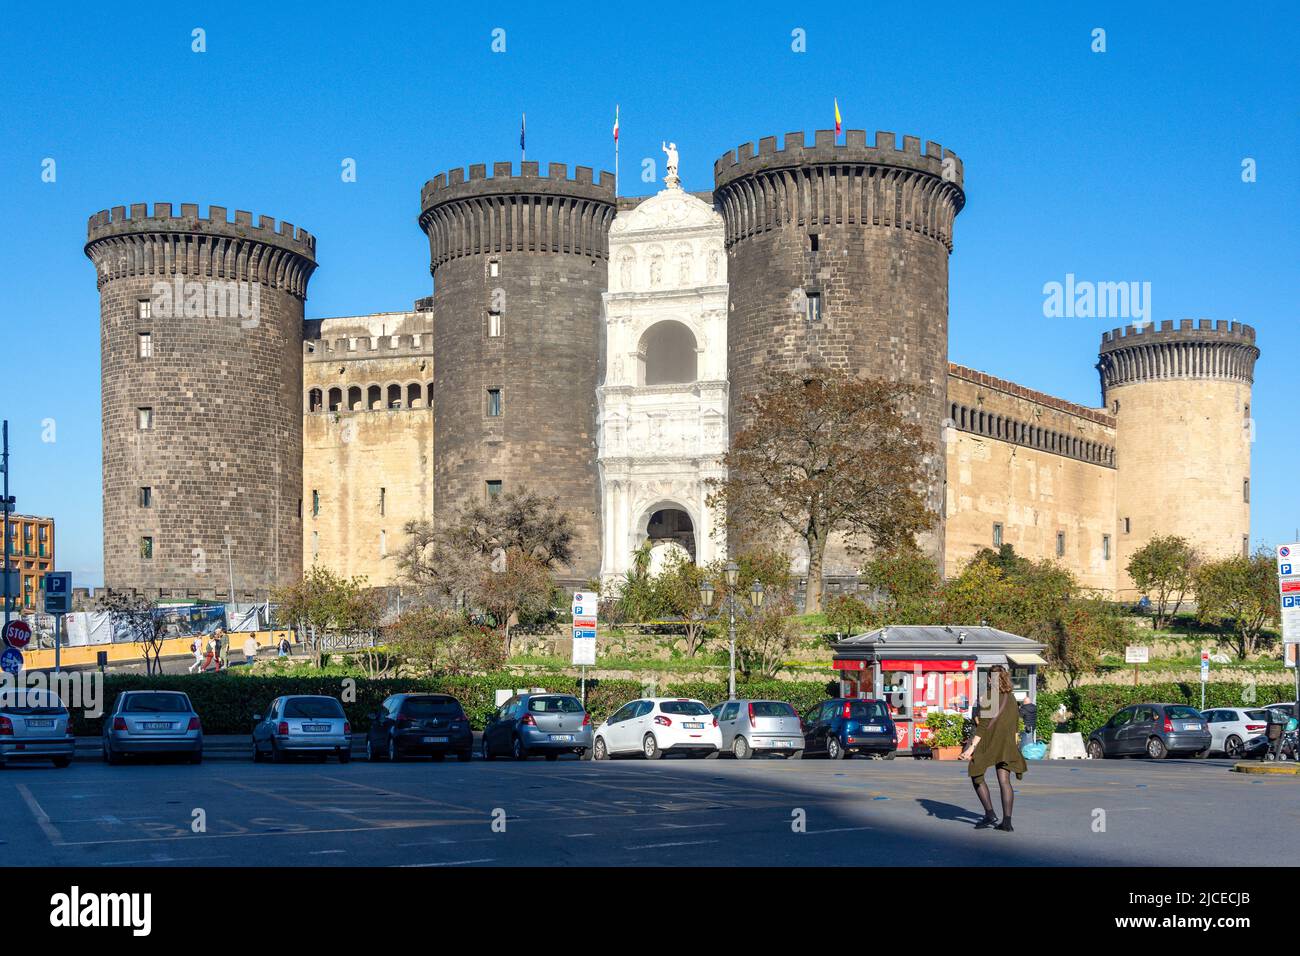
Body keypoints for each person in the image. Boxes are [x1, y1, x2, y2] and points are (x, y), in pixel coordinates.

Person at [959, 665, 1026, 832]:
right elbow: (1016, 724)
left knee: (975, 772)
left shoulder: (989, 696)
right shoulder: (1011, 697)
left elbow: (982, 726)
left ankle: (990, 814)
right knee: (1004, 781)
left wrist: (970, 749)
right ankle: (1007, 822)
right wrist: (1015, 745)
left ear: (990, 679)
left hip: (990, 743)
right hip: (1007, 744)